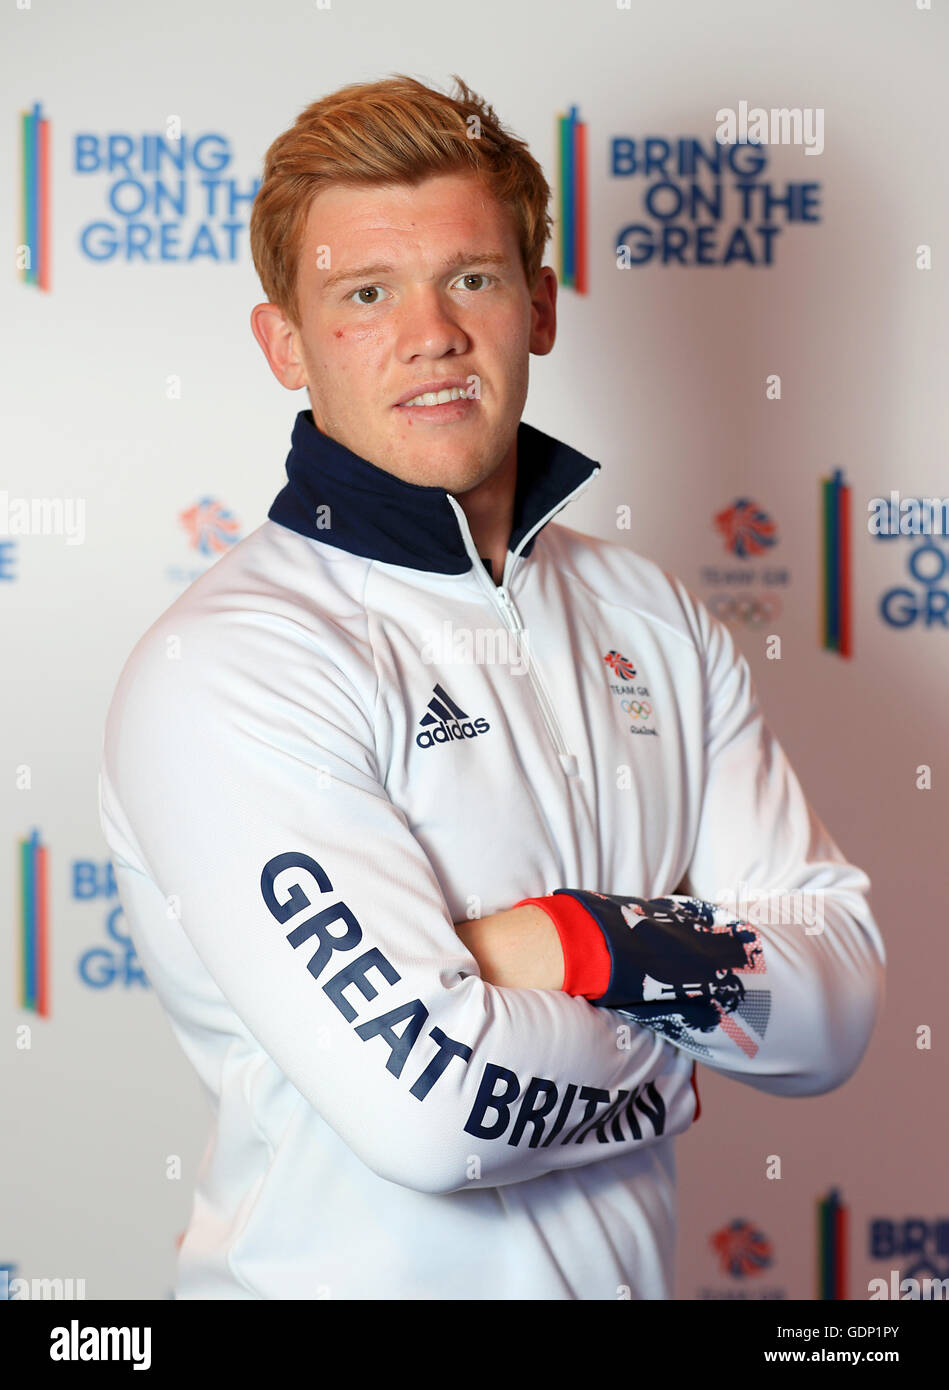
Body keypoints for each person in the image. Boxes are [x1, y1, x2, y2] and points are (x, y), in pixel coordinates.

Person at [97, 73, 886, 1301]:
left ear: (537, 306)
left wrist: (579, 941)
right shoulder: (235, 661)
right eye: (365, 294)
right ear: (286, 345)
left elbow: (834, 1003)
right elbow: (441, 1111)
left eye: (469, 276)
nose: (432, 334)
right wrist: (687, 1041)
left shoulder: (653, 617)